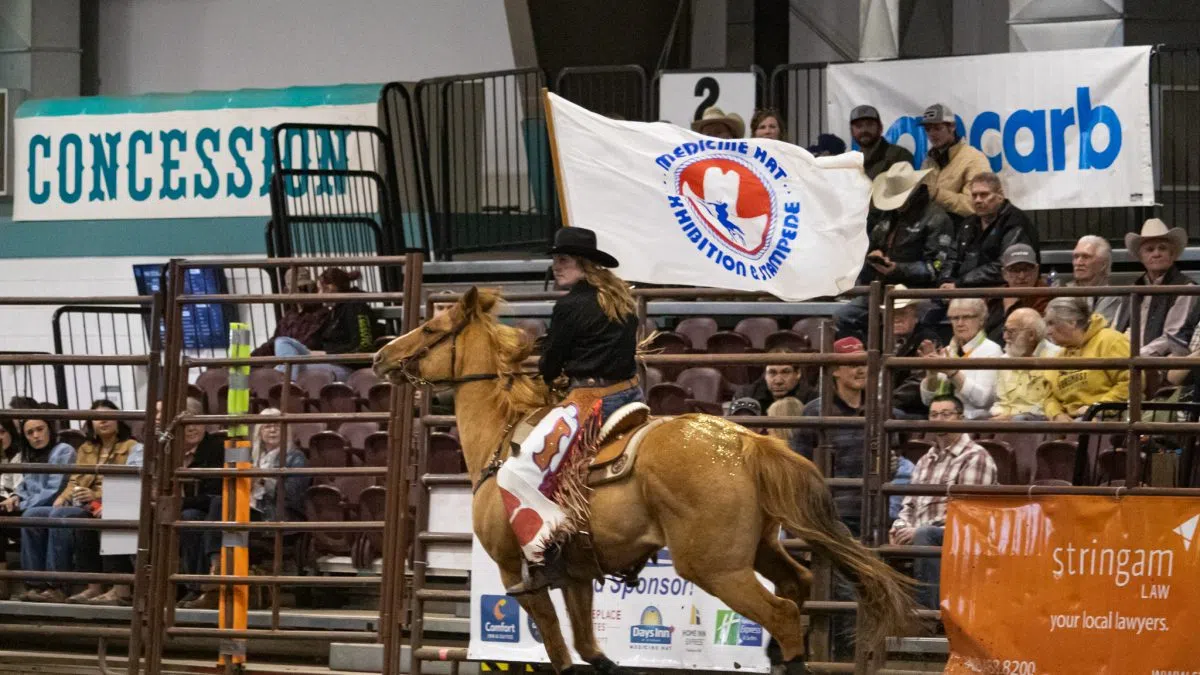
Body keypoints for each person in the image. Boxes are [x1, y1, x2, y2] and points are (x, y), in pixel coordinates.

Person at [498, 227, 644, 596]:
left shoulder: (569, 305)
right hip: (630, 395)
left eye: (562, 259)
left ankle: (547, 558)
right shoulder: (621, 300)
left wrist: (549, 370)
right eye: (556, 259)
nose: (556, 266)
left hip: (589, 402)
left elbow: (551, 364)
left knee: (522, 469)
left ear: (582, 264)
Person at [180, 408, 310, 609]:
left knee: (219, 506)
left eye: (277, 425)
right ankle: (204, 581)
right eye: (267, 426)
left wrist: (264, 481)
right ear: (259, 431)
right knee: (195, 516)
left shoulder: (296, 457)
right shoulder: (251, 454)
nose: (273, 430)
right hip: (248, 508)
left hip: (274, 515)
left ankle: (213, 573)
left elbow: (293, 495)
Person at [787, 336, 867, 660]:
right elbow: (798, 472)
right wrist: (800, 529)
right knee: (845, 589)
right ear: (834, 370)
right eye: (851, 363)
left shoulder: (880, 405)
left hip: (869, 513)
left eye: (863, 362)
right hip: (831, 517)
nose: (859, 369)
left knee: (851, 587)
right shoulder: (815, 413)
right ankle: (845, 658)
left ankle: (840, 656)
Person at [889, 395, 997, 608]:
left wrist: (917, 531)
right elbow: (908, 504)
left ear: (961, 418)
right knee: (883, 538)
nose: (940, 419)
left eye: (946, 414)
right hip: (921, 532)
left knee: (925, 535)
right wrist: (900, 528)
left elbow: (969, 513)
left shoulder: (976, 456)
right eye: (934, 414)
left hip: (961, 533)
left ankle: (929, 616)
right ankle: (895, 618)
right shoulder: (925, 460)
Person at [835, 162, 953, 335]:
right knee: (844, 316)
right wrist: (872, 256)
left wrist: (897, 269)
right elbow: (870, 244)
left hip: (917, 292)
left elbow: (935, 267)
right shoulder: (888, 216)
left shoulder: (937, 219)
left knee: (917, 319)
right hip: (882, 289)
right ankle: (867, 357)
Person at [9, 418, 76, 602]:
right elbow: (25, 486)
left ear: (50, 429)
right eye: (30, 433)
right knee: (28, 515)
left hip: (61, 503)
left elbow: (55, 489)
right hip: (35, 505)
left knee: (32, 515)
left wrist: (22, 505)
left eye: (40, 429)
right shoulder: (29, 454)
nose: (36, 436)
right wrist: (16, 498)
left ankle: (55, 586)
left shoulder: (63, 450)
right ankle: (34, 585)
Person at [273, 267, 379, 380]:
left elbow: (364, 346)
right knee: (282, 341)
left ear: (330, 288)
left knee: (280, 371)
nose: (318, 294)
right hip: (325, 360)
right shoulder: (335, 310)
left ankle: (289, 383)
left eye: (319, 289)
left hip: (344, 366)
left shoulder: (355, 307)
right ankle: (288, 378)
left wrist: (327, 354)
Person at [1113, 219, 1198, 357]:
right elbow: (1115, 330)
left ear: (1172, 254)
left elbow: (1173, 339)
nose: (1156, 254)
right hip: (1125, 359)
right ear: (1141, 257)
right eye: (1150, 249)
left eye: (1162, 248)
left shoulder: (1185, 288)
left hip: (1162, 365)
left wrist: (1135, 357)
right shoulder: (1132, 289)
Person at [939, 173, 1039, 290]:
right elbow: (952, 257)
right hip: (962, 290)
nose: (978, 200)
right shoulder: (968, 223)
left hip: (1000, 292)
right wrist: (945, 281)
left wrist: (960, 284)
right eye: (974, 195)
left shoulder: (1015, 222)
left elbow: (1006, 265)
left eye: (984, 195)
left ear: (1000, 195)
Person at [172, 397, 226, 605]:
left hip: (217, 508)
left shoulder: (217, 448)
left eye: (196, 421)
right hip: (192, 509)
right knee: (188, 518)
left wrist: (182, 502)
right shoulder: (171, 451)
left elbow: (215, 493)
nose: (192, 428)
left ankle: (204, 585)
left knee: (192, 517)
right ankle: (194, 587)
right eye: (186, 423)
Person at [1043, 297, 1131, 421]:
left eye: (1051, 323)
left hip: (1107, 416)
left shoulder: (1110, 340)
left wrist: (1097, 408)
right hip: (1071, 418)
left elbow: (1130, 382)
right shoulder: (1060, 356)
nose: (1048, 332)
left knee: (1081, 426)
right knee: (1022, 421)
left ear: (1071, 322)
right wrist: (1057, 415)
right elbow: (1050, 397)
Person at [919, 298, 1002, 419]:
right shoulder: (947, 351)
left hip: (974, 423)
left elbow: (983, 400)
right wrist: (931, 375)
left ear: (981, 320)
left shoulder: (992, 350)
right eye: (955, 318)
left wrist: (953, 373)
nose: (960, 323)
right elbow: (928, 401)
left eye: (967, 317)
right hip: (940, 419)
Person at [918, 103, 991, 221]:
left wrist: (937, 194)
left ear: (952, 127)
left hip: (963, 233)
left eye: (937, 128)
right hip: (932, 231)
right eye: (928, 129)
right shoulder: (928, 161)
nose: (932, 134)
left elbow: (977, 206)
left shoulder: (974, 158)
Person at [990, 309, 1060, 421]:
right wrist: (1000, 416)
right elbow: (1000, 402)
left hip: (1038, 423)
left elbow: (1049, 405)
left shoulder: (1055, 357)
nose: (1005, 337)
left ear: (1031, 335)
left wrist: (1011, 418)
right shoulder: (1004, 360)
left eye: (1011, 332)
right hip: (1006, 422)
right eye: (1005, 330)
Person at [251, 266, 331, 357]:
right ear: (286, 291)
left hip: (306, 361)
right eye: (299, 288)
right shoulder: (290, 316)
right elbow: (273, 343)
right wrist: (251, 357)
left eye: (306, 288)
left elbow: (307, 343)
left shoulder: (321, 314)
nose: (303, 292)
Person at [984, 243, 1050, 345]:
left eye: (1027, 269)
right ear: (1004, 273)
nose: (1021, 276)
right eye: (1015, 270)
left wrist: (1012, 308)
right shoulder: (993, 297)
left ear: (1036, 270)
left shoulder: (1046, 296)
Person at [890, 288, 940, 419]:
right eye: (893, 313)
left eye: (903, 313)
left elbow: (917, 383)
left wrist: (887, 403)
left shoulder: (926, 339)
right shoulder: (878, 339)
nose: (897, 318)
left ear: (916, 316)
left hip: (909, 410)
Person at [1060, 235, 1121, 326]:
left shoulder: (1111, 296)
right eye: (1076, 257)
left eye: (1086, 257)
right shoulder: (1064, 291)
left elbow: (1094, 329)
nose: (1078, 263)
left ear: (1103, 265)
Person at [735, 347, 816, 412]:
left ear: (798, 373)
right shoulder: (747, 395)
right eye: (772, 373)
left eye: (785, 372)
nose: (778, 381)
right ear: (765, 374)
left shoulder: (812, 399)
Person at [849, 104, 914, 180]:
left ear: (880, 128)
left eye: (869, 124)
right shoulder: (851, 162)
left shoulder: (899, 155)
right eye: (858, 126)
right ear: (852, 131)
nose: (864, 130)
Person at [0, 419, 27, 599]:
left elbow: (21, 488)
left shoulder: (22, 455)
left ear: (11, 432)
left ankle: (2, 584)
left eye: (2, 432)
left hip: (20, 506)